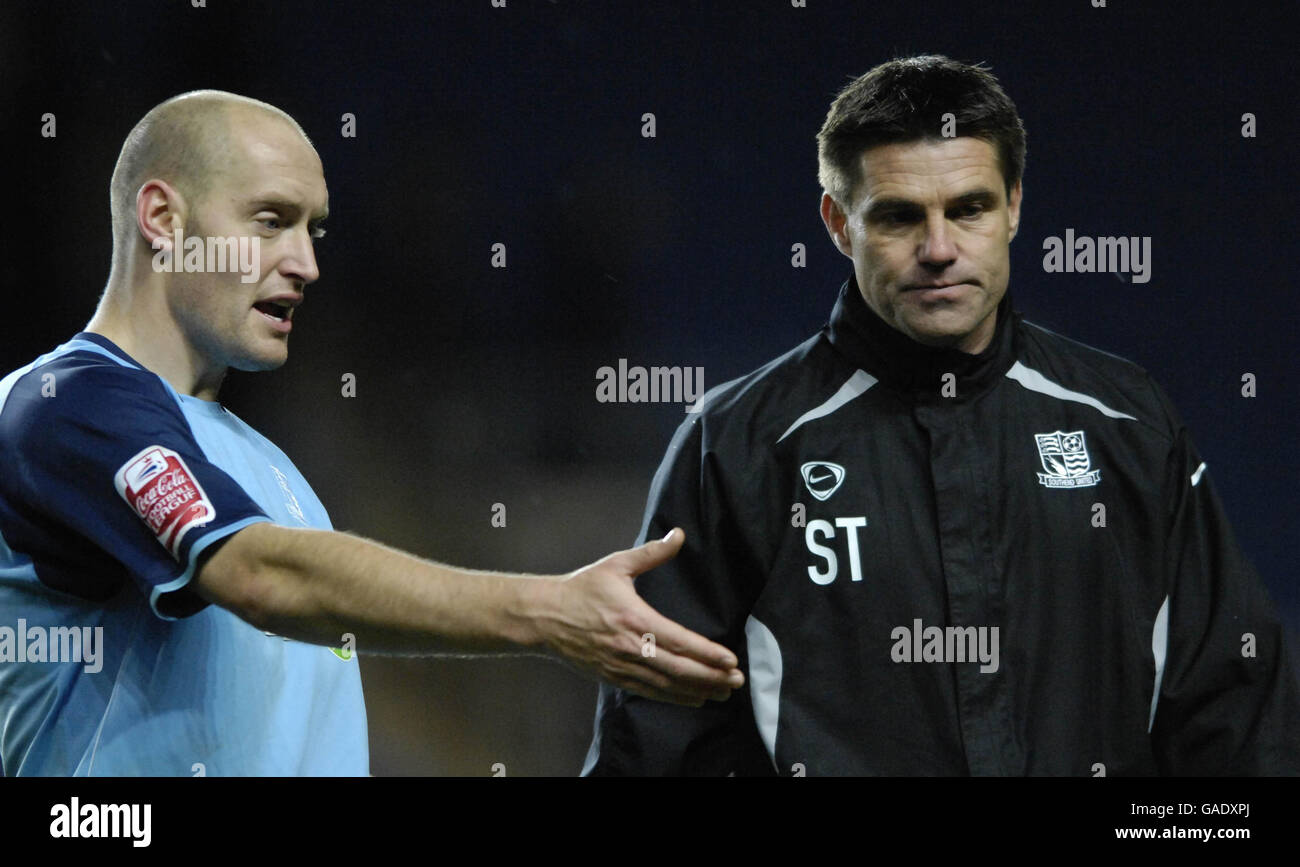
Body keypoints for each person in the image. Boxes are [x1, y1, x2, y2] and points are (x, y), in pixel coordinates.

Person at [582, 55, 1300, 776]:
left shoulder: (1128, 422)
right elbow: (651, 747)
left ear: (1014, 205)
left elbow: (1238, 721)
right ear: (838, 223)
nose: (938, 249)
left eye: (969, 208)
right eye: (899, 216)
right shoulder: (737, 446)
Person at [0, 90, 743, 777]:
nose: (306, 264)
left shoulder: (268, 467)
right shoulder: (63, 405)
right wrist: (548, 613)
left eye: (313, 230)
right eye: (270, 220)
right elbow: (262, 576)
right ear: (162, 218)